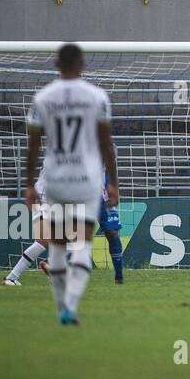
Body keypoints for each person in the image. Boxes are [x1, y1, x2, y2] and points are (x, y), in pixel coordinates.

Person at [23, 43, 118, 324]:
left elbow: (32, 146)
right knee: (82, 243)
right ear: (82, 65)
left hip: (55, 180)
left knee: (58, 245)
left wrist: (29, 184)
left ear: (56, 64)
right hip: (86, 179)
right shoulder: (97, 97)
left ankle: (61, 304)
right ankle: (71, 307)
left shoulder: (43, 98)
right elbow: (106, 145)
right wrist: (114, 183)